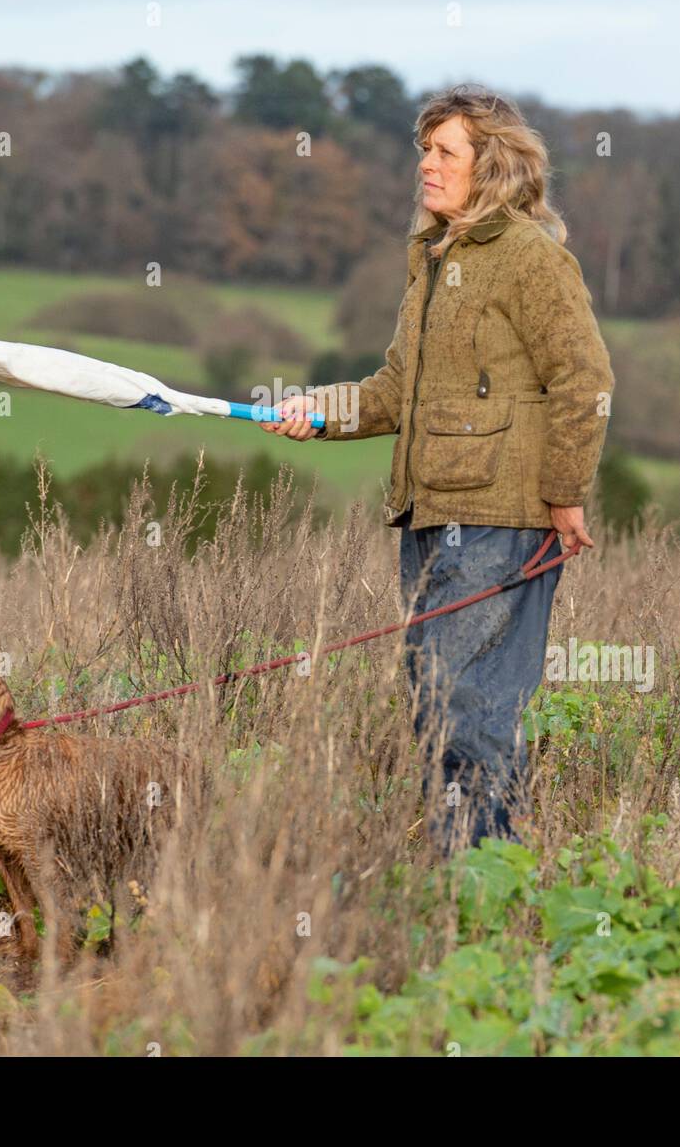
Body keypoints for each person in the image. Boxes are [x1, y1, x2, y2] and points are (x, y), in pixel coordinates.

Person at [262, 86, 614, 855]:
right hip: (430, 518)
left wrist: (563, 496)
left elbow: (585, 382)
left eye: (444, 151)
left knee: (471, 710)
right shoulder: (430, 259)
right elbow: (395, 392)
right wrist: (318, 411)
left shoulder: (530, 257)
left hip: (502, 518)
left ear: (490, 165)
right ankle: (462, 879)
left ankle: (487, 884)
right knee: (434, 706)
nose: (426, 164)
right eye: (424, 150)